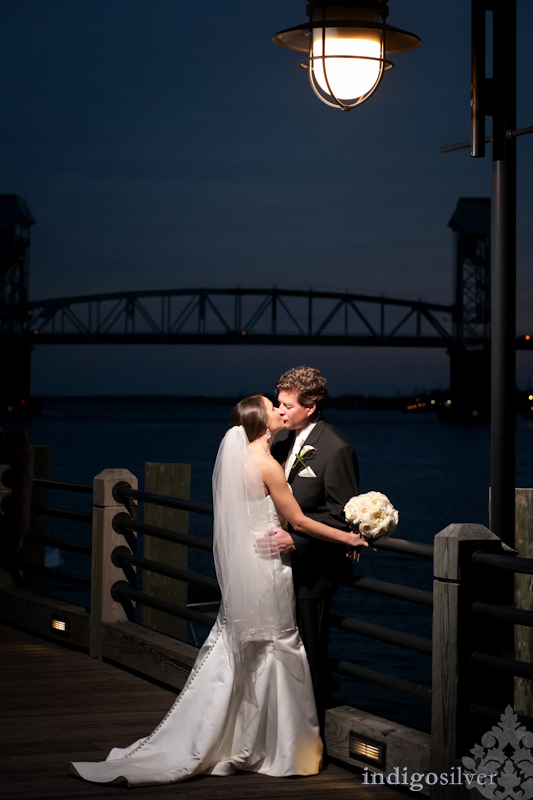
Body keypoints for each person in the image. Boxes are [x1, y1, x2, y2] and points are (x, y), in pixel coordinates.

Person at [68, 395, 368, 788]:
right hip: (269, 569)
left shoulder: (240, 459)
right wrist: (350, 536)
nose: (280, 411)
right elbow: (299, 522)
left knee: (242, 647)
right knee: (278, 646)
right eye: (272, 408)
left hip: (251, 564)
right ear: (261, 423)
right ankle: (281, 747)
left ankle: (236, 736)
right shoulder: (268, 464)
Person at [267, 366, 360, 718]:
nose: (280, 411)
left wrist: (295, 542)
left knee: (309, 659)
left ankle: (309, 736)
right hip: (275, 570)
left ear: (312, 407)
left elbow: (342, 517)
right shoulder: (279, 440)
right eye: (279, 403)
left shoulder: (336, 449)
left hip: (312, 573)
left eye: (287, 405)